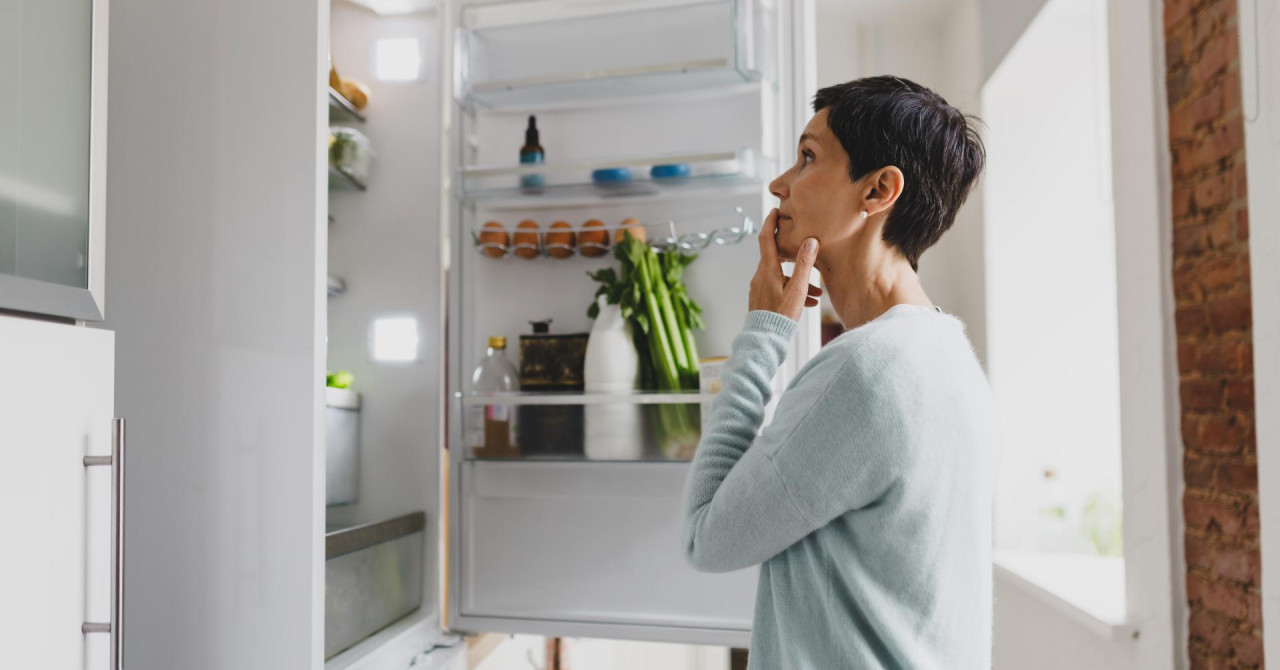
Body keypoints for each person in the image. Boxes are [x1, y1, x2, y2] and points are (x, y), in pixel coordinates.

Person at [681, 75, 998, 669]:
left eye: (807, 157)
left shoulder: (867, 372)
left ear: (878, 190)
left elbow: (705, 536)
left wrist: (763, 334)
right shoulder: (948, 355)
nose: (780, 184)